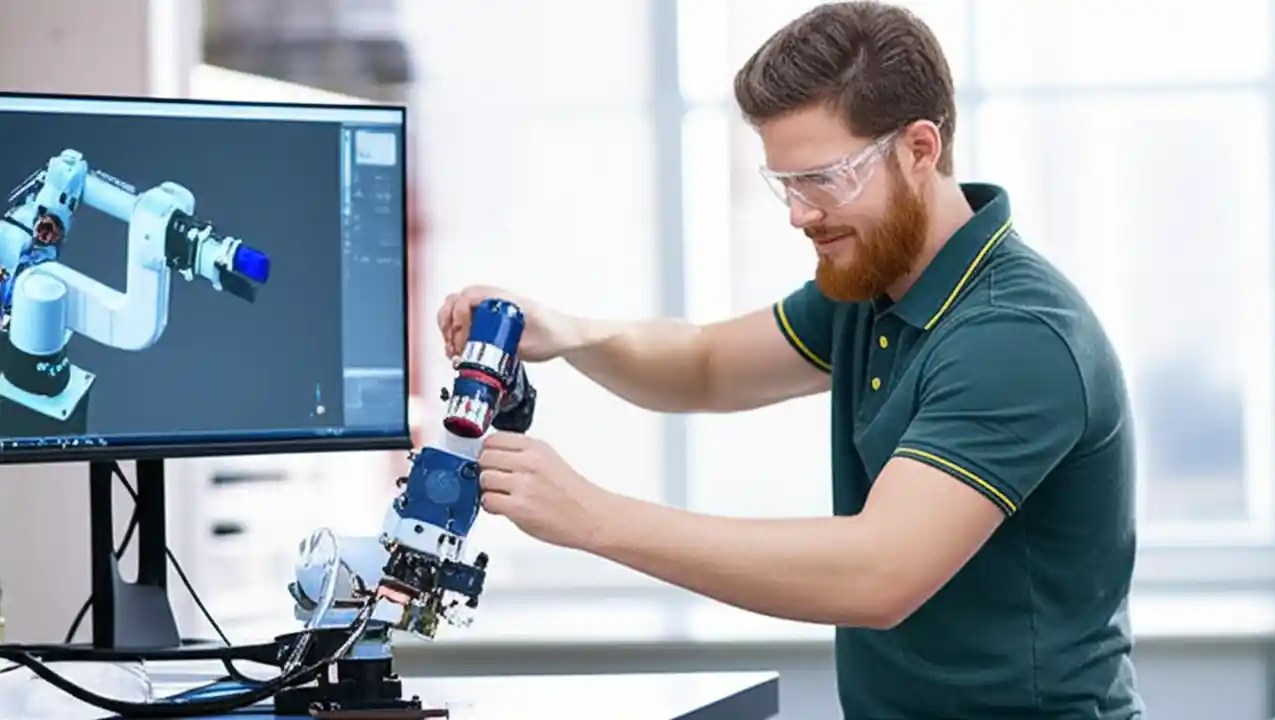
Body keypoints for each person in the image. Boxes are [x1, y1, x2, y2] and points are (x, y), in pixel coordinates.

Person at [436, 2, 1143, 717]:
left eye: (824, 179)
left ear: (919, 149)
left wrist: (592, 517)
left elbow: (879, 573)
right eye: (787, 184)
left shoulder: (1012, 335)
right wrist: (568, 333)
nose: (799, 214)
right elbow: (706, 364)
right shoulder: (875, 284)